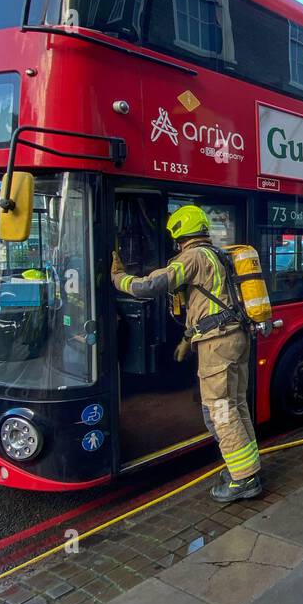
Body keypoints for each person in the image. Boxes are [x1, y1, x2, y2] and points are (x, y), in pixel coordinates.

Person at [111, 204, 265, 503]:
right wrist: (186, 339)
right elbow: (208, 306)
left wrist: (118, 277)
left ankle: (243, 480)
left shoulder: (192, 257)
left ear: (179, 233)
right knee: (235, 406)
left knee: (219, 410)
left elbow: (150, 285)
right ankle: (248, 468)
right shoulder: (217, 255)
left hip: (217, 344)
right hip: (237, 339)